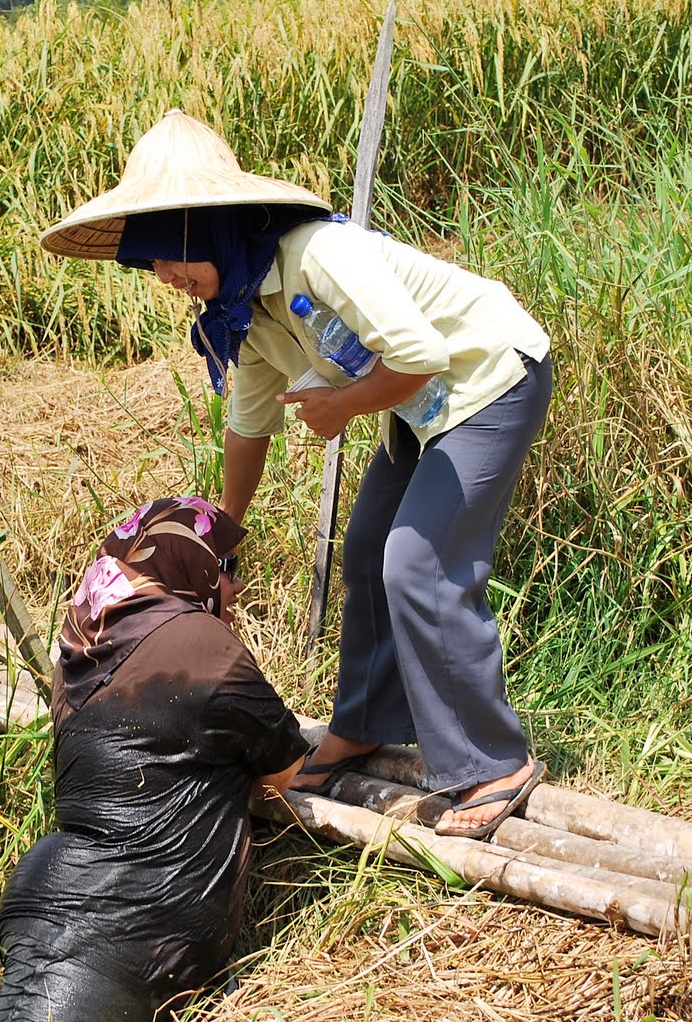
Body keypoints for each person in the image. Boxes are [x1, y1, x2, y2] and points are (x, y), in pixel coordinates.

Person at [40, 110, 552, 839]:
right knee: (369, 551)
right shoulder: (241, 311)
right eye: (151, 262)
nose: (167, 276)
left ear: (212, 227)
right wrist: (218, 541)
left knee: (419, 563)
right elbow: (248, 427)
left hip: (489, 378)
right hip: (421, 409)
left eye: (173, 254)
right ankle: (365, 725)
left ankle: (493, 762)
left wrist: (341, 406)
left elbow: (422, 355)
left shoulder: (319, 255)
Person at [0, 496, 309, 1022]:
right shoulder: (200, 643)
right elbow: (285, 769)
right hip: (118, 920)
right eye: (226, 567)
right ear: (189, 561)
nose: (235, 587)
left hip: (71, 899)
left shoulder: (87, 636)